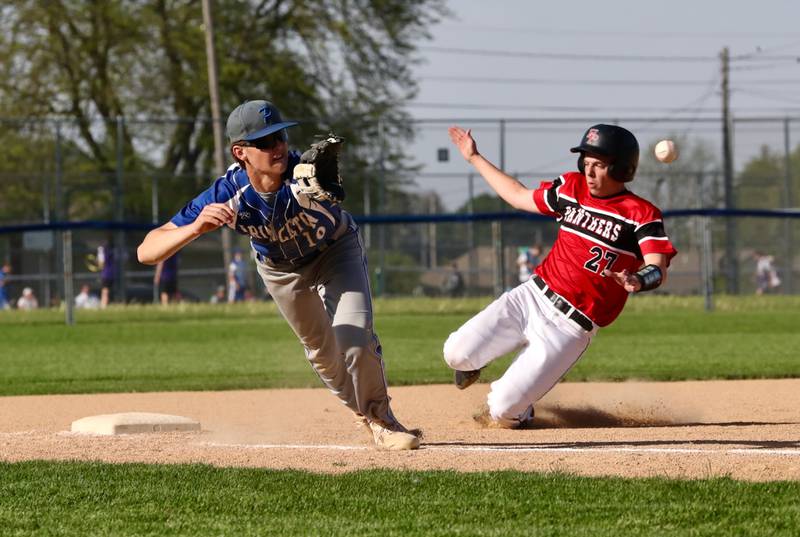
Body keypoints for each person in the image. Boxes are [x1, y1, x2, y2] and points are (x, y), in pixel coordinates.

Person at [136, 99, 419, 450]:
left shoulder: (304, 174)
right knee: (321, 352)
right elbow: (146, 250)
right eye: (266, 142)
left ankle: (382, 419)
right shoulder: (228, 192)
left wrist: (323, 189)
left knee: (354, 338)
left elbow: (329, 191)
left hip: (335, 252)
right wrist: (195, 227)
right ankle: (366, 417)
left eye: (281, 136)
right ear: (240, 152)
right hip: (281, 270)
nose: (279, 146)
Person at [443, 124, 677, 428]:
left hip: (569, 328)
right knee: (455, 353)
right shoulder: (571, 188)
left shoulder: (640, 213)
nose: (589, 172)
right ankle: (474, 363)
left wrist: (638, 279)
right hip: (531, 297)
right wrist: (474, 157)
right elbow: (517, 196)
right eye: (587, 163)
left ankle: (522, 409)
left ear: (621, 169)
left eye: (600, 164)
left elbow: (658, 267)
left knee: (502, 412)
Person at [96, 241, 115, 308]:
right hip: (111, 274)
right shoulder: (111, 252)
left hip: (106, 274)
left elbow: (101, 264)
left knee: (105, 291)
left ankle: (104, 305)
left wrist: (98, 263)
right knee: (107, 290)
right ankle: (105, 304)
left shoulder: (103, 252)